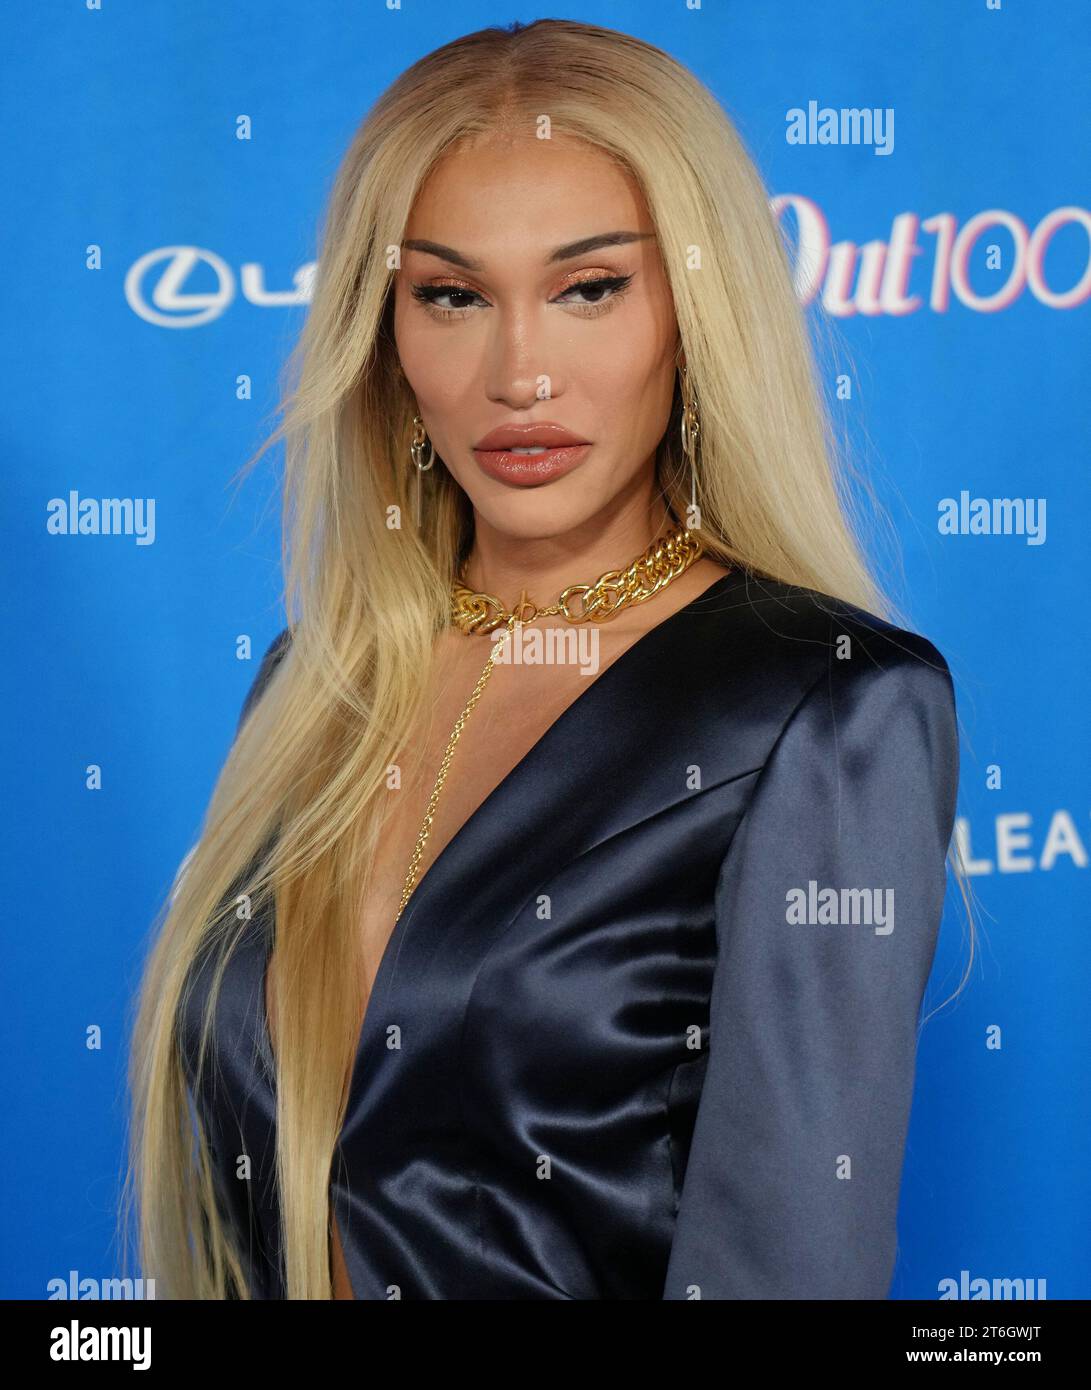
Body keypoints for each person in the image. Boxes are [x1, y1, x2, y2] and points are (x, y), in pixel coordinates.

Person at [124, 18, 964, 1300]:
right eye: (452, 295)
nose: (520, 374)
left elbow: (790, 1266)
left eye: (589, 287)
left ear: (696, 310)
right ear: (386, 338)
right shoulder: (313, 684)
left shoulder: (821, 707)